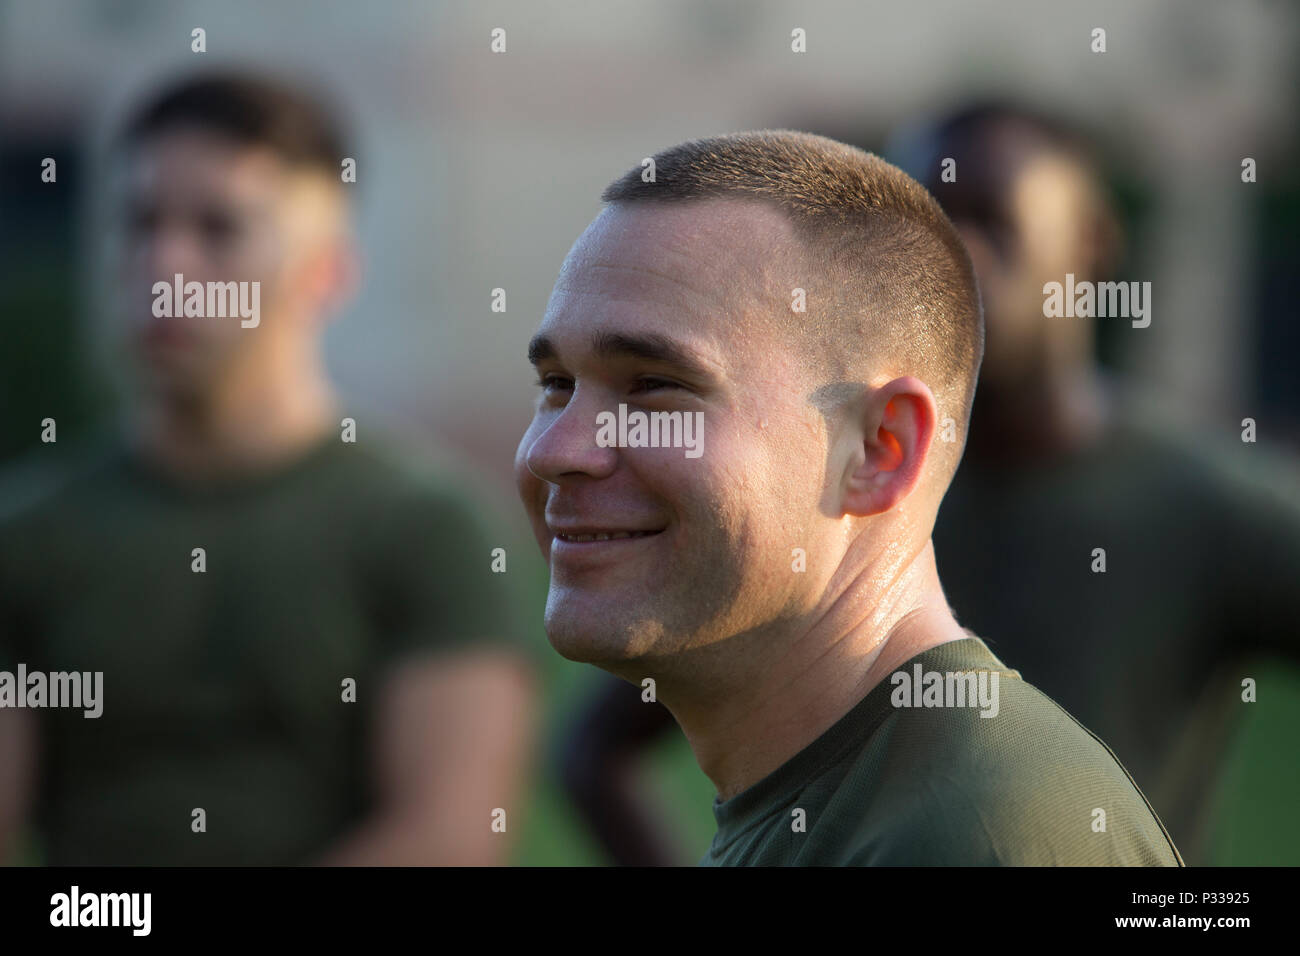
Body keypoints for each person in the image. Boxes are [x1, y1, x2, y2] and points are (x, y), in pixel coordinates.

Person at [515, 130, 1182, 865]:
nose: (554, 452)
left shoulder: (975, 834)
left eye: (653, 387)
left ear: (877, 448)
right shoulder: (840, 805)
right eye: (557, 386)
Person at [0, 71, 537, 866]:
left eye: (218, 230)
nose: (165, 262)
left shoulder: (429, 526)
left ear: (324, 272)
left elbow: (447, 839)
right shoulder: (30, 532)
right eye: (142, 223)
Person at [898, 103, 1300, 864]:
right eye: (933, 227)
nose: (961, 259)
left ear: (1091, 241)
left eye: (993, 222)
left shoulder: (1203, 502)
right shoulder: (849, 492)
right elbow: (605, 750)